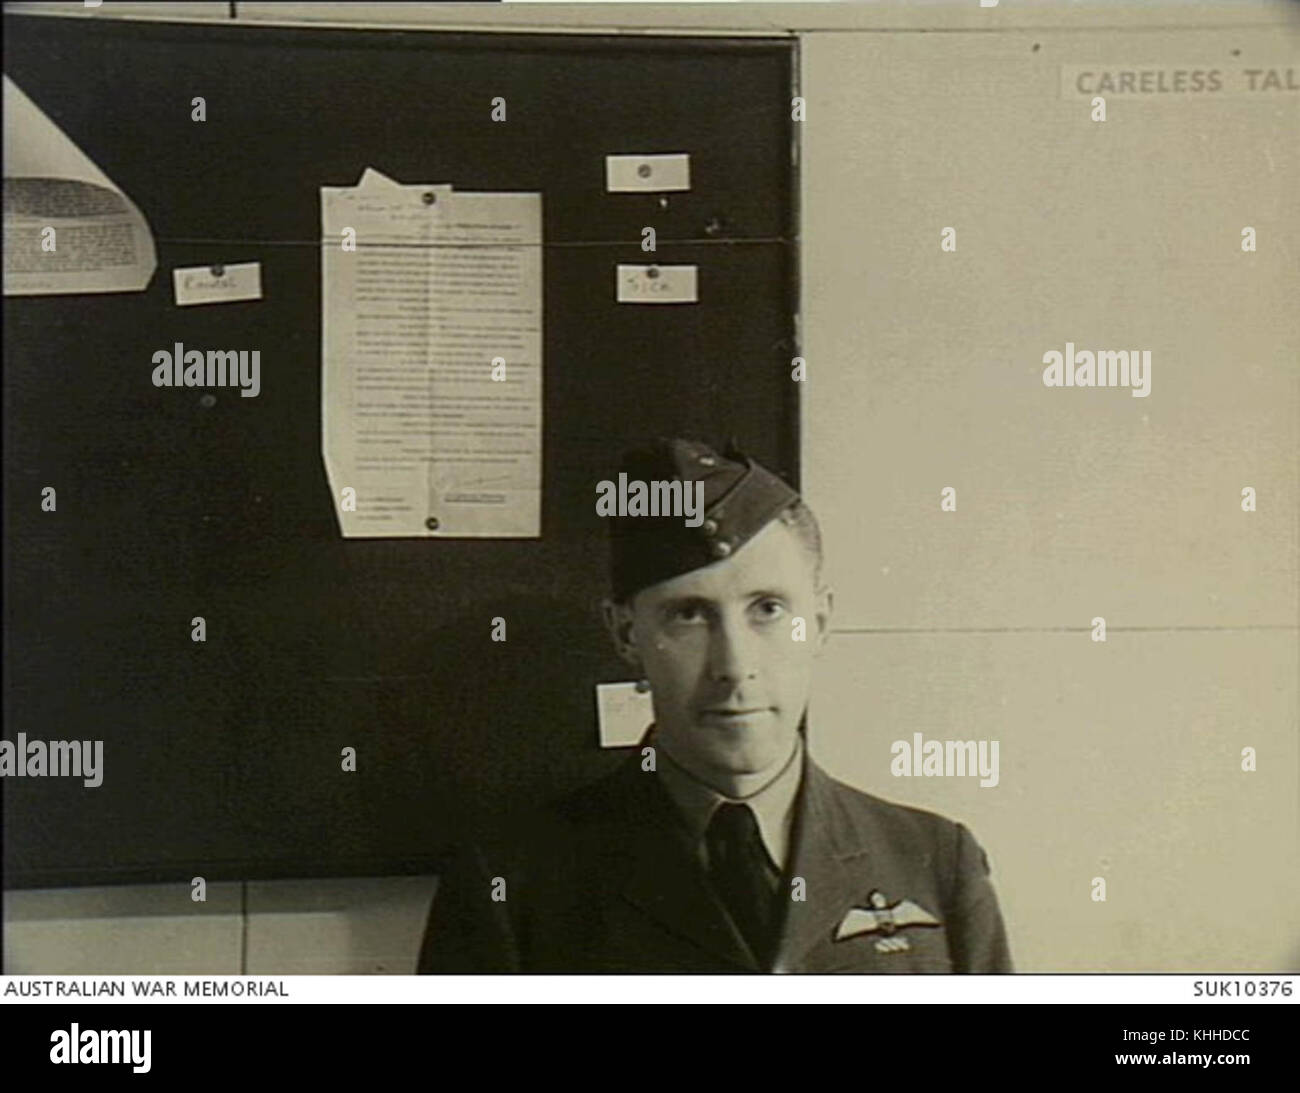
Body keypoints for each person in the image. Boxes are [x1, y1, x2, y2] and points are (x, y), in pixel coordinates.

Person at [418, 437, 1012, 973]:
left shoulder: (933, 862)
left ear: (821, 623)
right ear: (625, 635)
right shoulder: (511, 884)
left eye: (768, 609)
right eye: (689, 614)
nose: (733, 664)